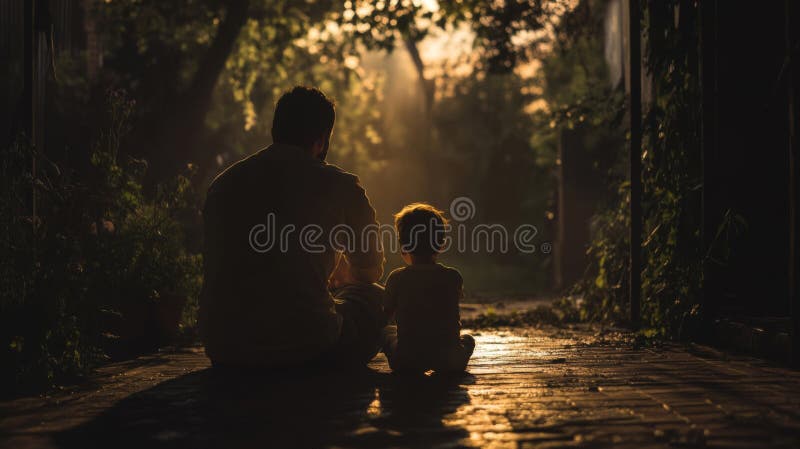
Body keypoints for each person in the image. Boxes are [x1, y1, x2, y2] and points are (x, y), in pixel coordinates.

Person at [199, 86, 386, 369]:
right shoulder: (341, 185)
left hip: (226, 346)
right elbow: (371, 269)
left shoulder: (223, 184)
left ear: (275, 130)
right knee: (376, 298)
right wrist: (340, 271)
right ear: (322, 139)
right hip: (308, 345)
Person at [382, 203, 475, 374]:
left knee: (387, 333)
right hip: (449, 360)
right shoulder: (453, 277)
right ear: (441, 243)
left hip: (407, 360)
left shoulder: (397, 278)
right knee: (468, 339)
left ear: (404, 245)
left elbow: (385, 316)